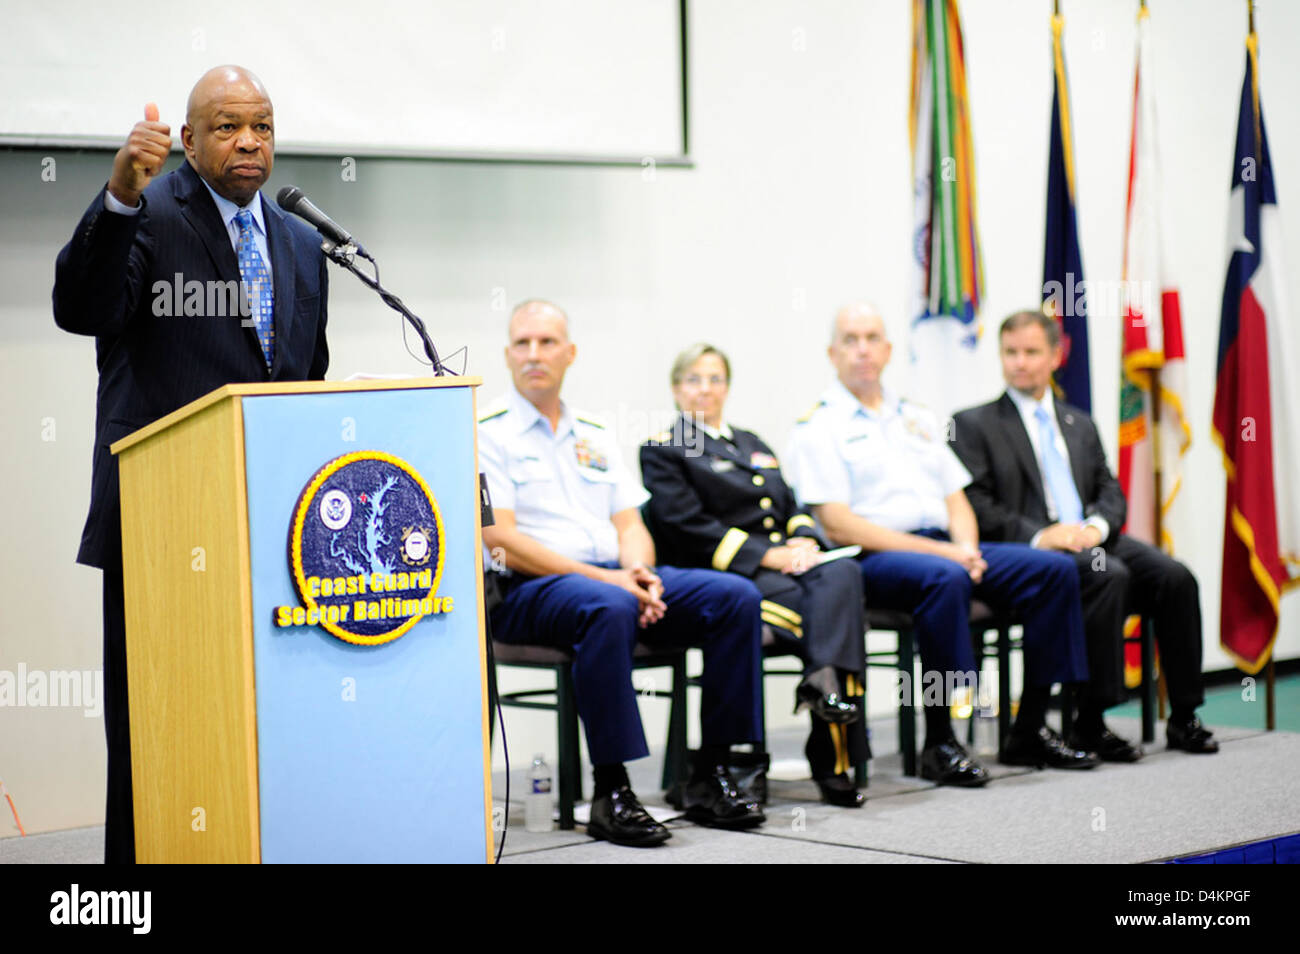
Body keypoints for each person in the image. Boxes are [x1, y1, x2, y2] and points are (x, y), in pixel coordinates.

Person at [52, 66, 331, 863]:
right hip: (162, 517)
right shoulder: (147, 216)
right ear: (188, 138)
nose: (249, 141)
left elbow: (303, 378)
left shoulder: (302, 241)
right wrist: (117, 195)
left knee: (255, 715)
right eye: (227, 126)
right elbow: (82, 309)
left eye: (264, 125)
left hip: (271, 523)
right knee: (157, 718)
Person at [479, 301, 766, 847]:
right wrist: (608, 581)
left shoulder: (595, 432)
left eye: (546, 342)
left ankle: (710, 774)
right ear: (508, 355)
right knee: (606, 606)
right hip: (528, 592)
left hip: (611, 580)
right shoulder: (487, 432)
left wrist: (640, 572)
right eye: (522, 343)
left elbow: (631, 523)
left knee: (734, 596)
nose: (534, 354)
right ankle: (613, 792)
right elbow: (500, 540)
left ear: (570, 353)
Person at [785, 304, 1097, 784]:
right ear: (832, 352)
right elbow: (839, 524)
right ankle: (942, 739)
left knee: (1052, 569)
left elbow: (956, 499)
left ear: (888, 350)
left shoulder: (917, 416)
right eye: (851, 339)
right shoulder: (818, 426)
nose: (863, 349)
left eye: (872, 337)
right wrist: (948, 555)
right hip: (874, 559)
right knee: (944, 579)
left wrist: (967, 547)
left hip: (946, 550)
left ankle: (1030, 724)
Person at [951, 309, 1217, 757]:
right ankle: (1090, 720)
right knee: (1108, 576)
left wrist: (1094, 527)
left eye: (1031, 352)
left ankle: (1185, 715)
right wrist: (1043, 536)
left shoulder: (1078, 423)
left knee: (1175, 578)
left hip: (1091, 538)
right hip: (1029, 551)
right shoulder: (973, 424)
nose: (1020, 362)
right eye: (1010, 352)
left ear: (1056, 355)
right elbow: (975, 505)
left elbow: (1109, 490)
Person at [640, 343, 869, 808]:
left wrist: (803, 538)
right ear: (675, 389)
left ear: (727, 386)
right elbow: (686, 526)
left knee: (843, 572)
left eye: (715, 379)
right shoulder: (663, 449)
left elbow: (792, 505)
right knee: (835, 613)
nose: (705, 389)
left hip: (783, 567)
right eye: (693, 380)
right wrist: (769, 556)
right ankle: (831, 754)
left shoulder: (752, 442)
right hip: (726, 577)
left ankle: (821, 685)